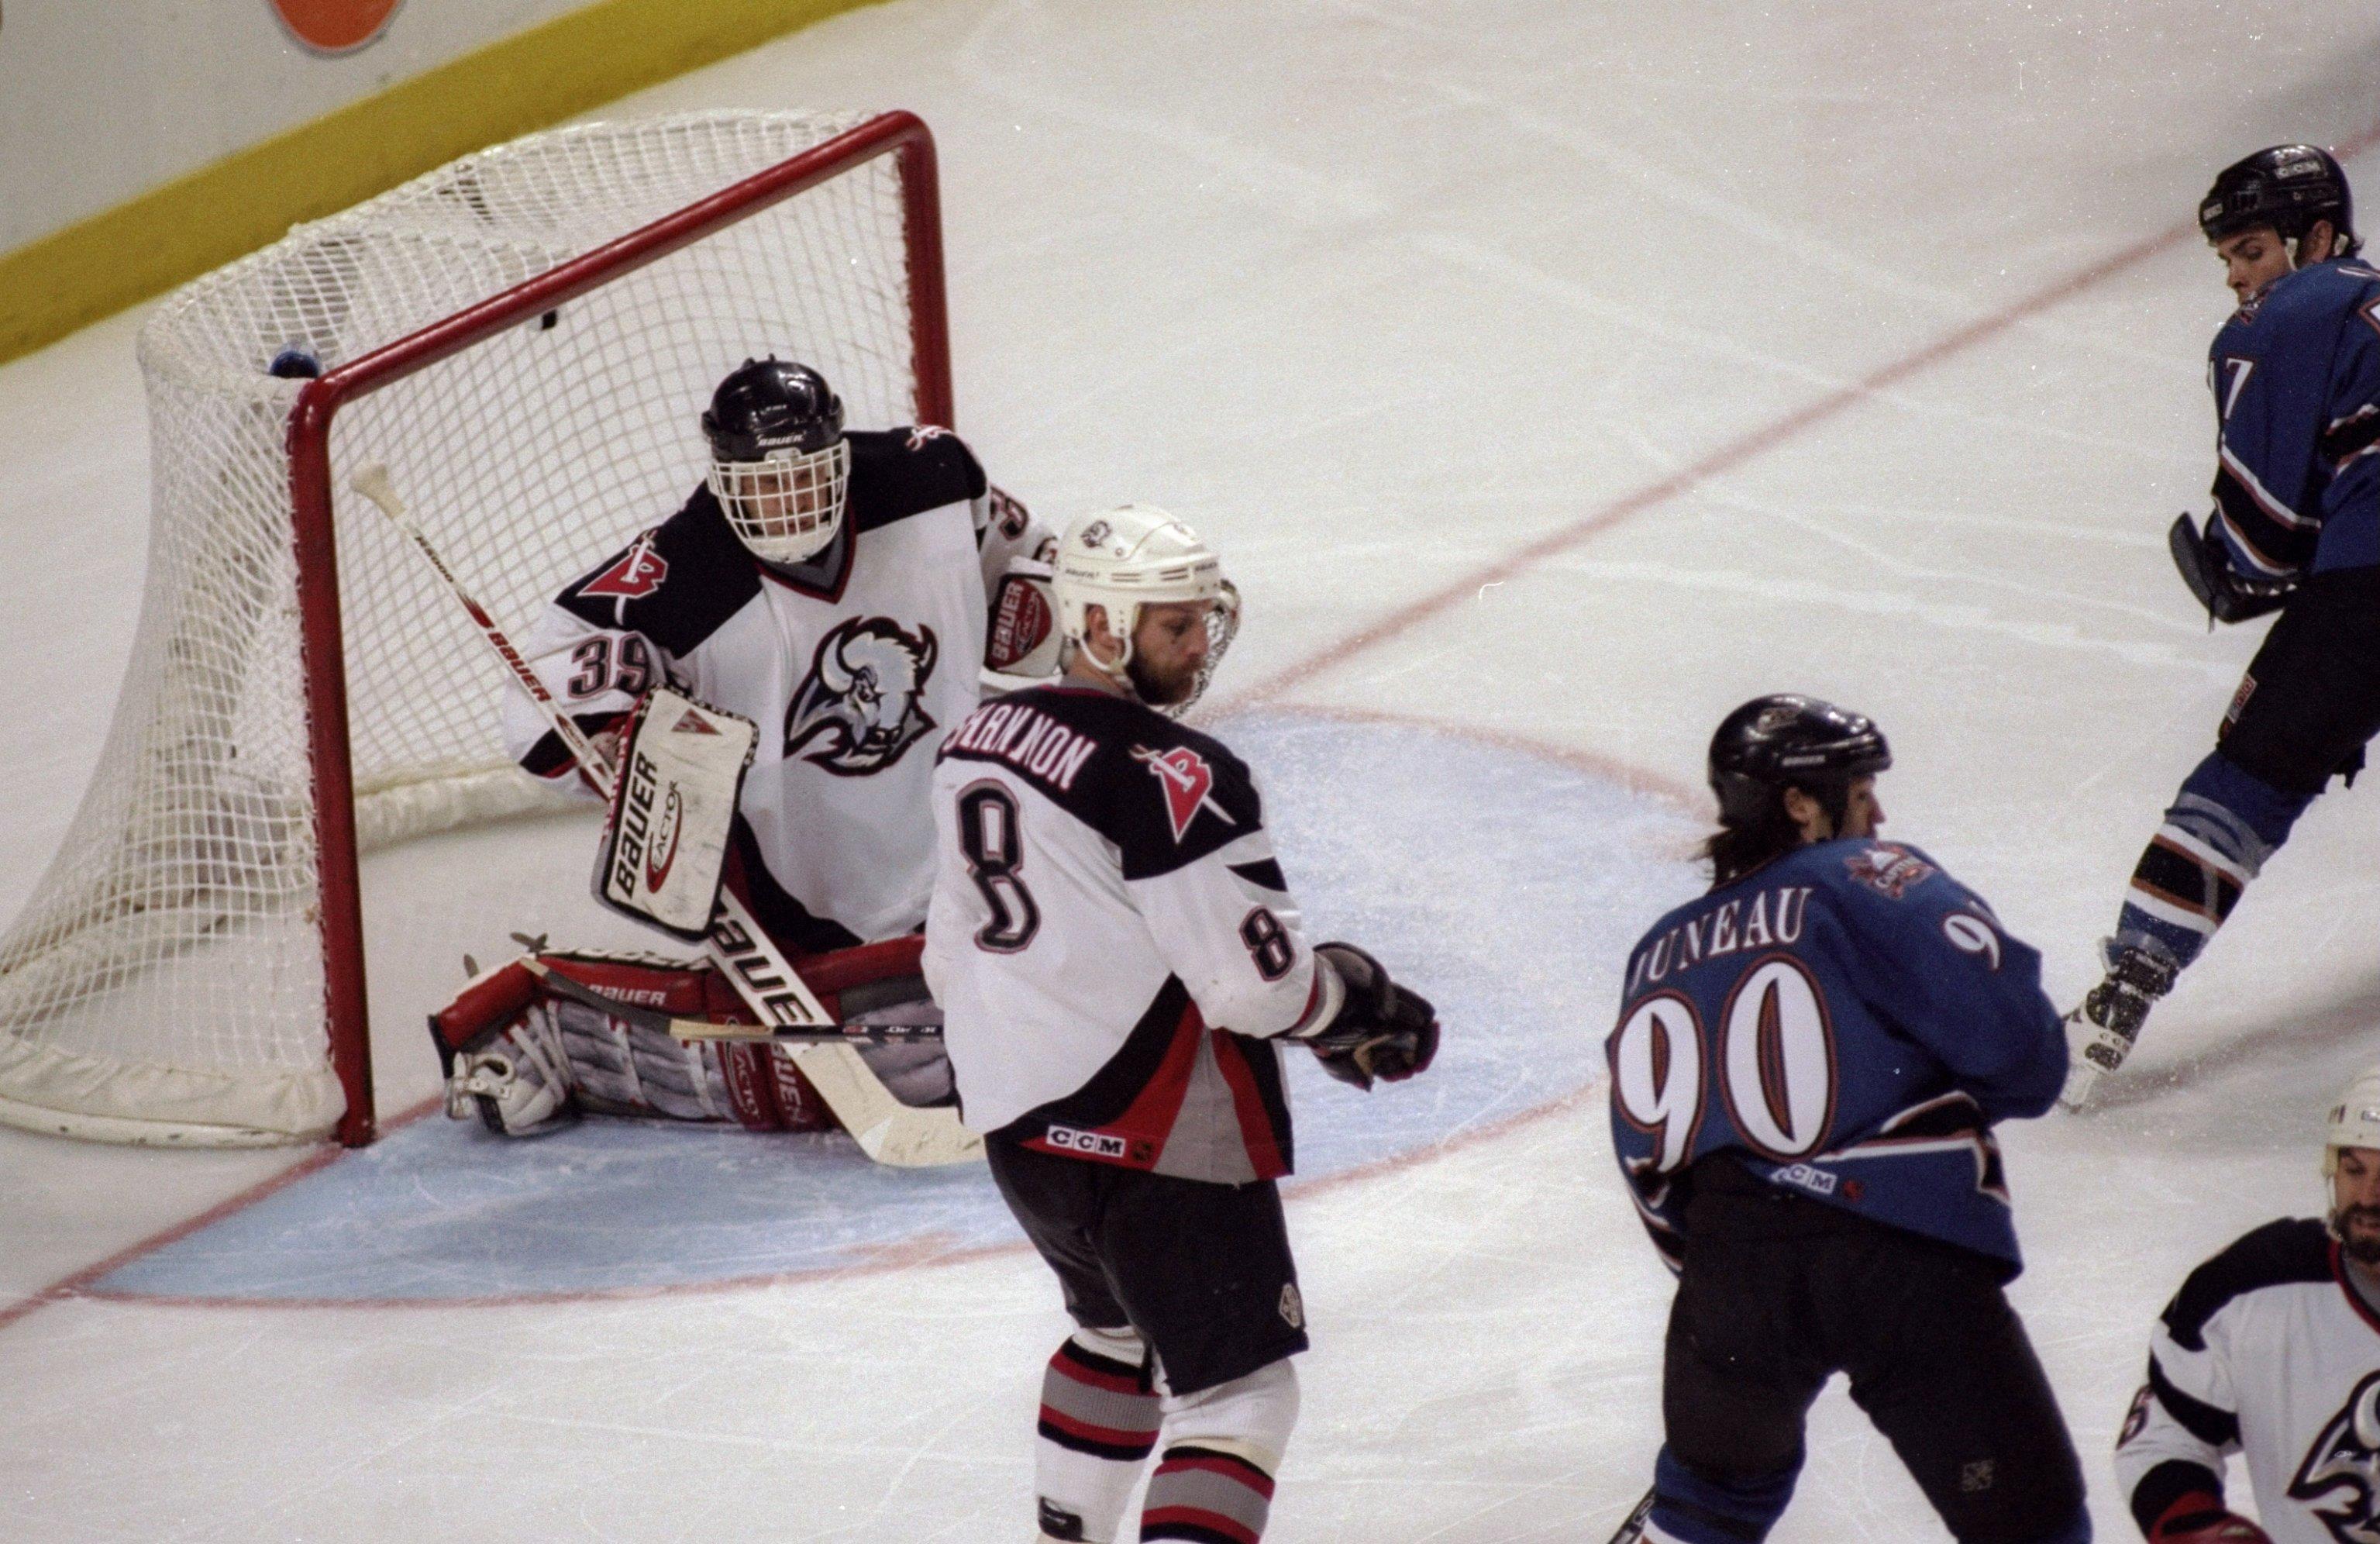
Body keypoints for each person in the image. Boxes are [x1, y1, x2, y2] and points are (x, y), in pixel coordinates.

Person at [921, 505, 1440, 1544]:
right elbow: (1253, 990)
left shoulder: (970, 742)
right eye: (1174, 625)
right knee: (1238, 1399)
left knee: (1111, 1337)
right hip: (1154, 1138)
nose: (1200, 644)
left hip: (1024, 1134)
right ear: (1098, 626)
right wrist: (1350, 1001)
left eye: (1203, 619)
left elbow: (951, 955)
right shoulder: (1170, 771)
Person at [432, 355, 1056, 1137]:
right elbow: (543, 703)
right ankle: (546, 1019)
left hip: (969, 859)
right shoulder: (681, 576)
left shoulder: (928, 477)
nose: (787, 503)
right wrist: (618, 736)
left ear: (839, 452)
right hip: (814, 905)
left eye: (805, 477)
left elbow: (1028, 567)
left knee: (1064, 998)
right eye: (762, 484)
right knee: (921, 1061)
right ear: (721, 475)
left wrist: (1046, 606)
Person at [1605, 694, 2088, 1544]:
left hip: (1730, 1279)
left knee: (1705, 1508)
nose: (1878, 814)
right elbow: (2023, 1054)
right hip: (1895, 1256)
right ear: (1800, 803)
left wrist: (1730, 1259)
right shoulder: (1864, 879)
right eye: (1861, 792)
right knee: (2029, 1526)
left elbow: (1644, 1158)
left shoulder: (1657, 951)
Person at [2064, 145, 2380, 1104]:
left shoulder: (2289, 314)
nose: (2239, 279)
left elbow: (2262, 539)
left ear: (2315, 237)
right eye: (2228, 261)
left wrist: (2234, 565)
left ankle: (2128, 982)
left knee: (2250, 774)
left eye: (2249, 251)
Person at [2111, 1065, 2380, 1544]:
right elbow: (2165, 1436)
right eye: (2353, 1170)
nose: (2367, 1198)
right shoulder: (2251, 1289)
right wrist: (2197, 1524)